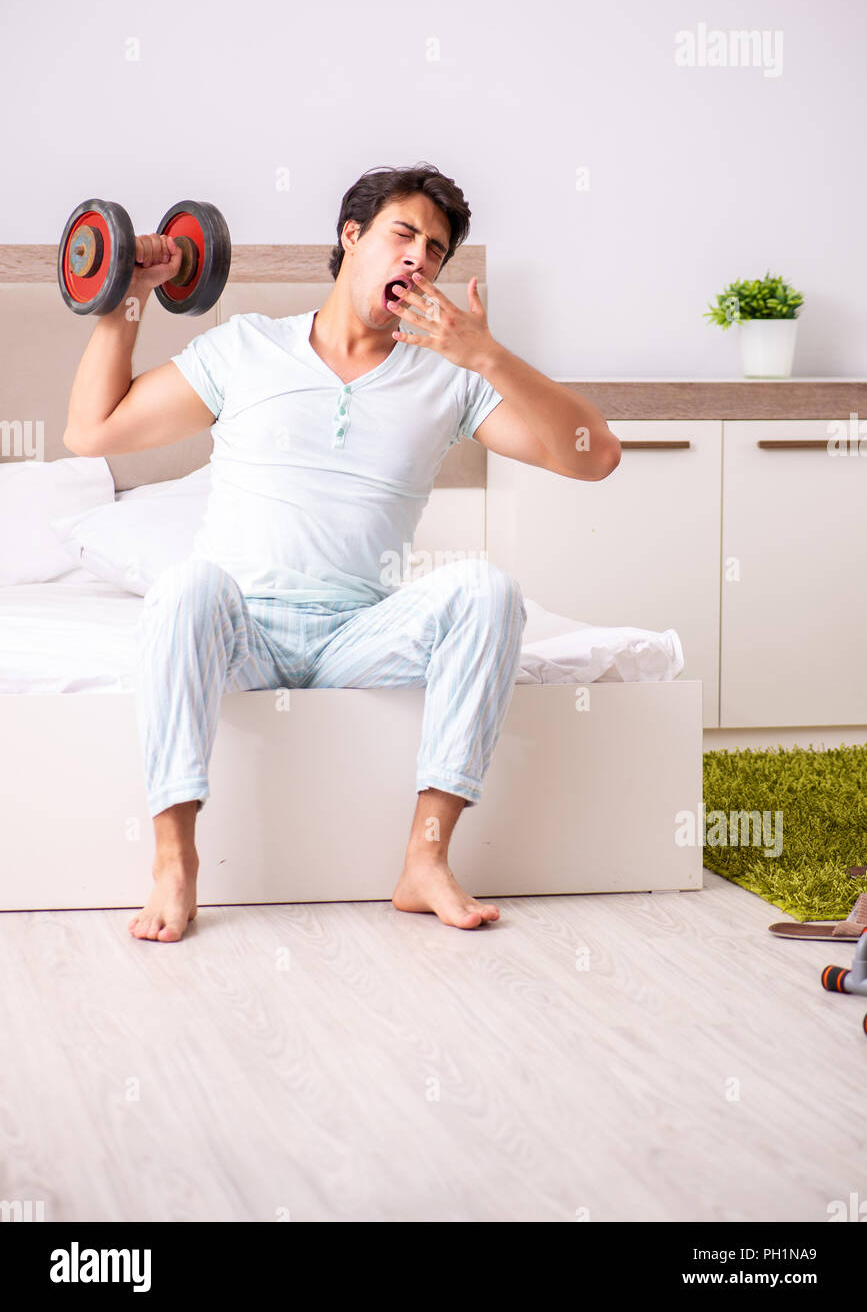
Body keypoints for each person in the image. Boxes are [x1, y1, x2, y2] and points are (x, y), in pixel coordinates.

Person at [63, 162, 621, 942]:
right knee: (186, 586)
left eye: (435, 249)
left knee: (485, 589)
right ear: (351, 235)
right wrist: (129, 294)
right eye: (403, 234)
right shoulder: (247, 348)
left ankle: (424, 861)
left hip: (358, 633)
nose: (418, 257)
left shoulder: (449, 378)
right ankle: (174, 861)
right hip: (243, 632)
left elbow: (595, 456)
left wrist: (486, 356)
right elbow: (90, 431)